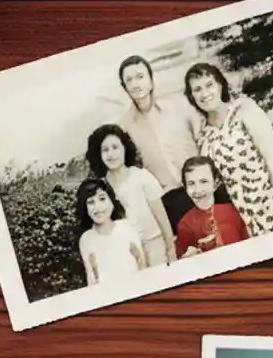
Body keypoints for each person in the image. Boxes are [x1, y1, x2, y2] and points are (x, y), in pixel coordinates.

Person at [184, 62, 273, 236]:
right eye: (197, 89)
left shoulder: (244, 110)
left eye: (209, 85)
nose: (205, 93)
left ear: (220, 85)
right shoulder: (204, 136)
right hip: (246, 219)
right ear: (192, 96)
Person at [115, 54, 209, 233]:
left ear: (151, 80)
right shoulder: (124, 128)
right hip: (170, 201)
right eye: (129, 80)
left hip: (202, 187)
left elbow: (203, 138)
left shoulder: (179, 108)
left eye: (140, 77)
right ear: (124, 87)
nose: (136, 84)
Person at [86, 124, 176, 267]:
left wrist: (170, 246)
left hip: (154, 244)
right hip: (126, 250)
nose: (111, 154)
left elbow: (160, 214)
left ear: (124, 148)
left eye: (115, 147)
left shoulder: (141, 176)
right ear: (98, 155)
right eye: (105, 150)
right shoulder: (102, 188)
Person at [174, 156, 249, 258]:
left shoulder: (233, 210)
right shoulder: (185, 225)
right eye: (191, 183)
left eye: (204, 182)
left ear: (216, 183)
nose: (198, 190)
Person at [73, 177, 143, 285]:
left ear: (112, 201)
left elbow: (142, 263)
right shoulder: (86, 239)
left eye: (102, 199)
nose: (97, 207)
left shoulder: (126, 227)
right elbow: (92, 278)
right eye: (91, 202)